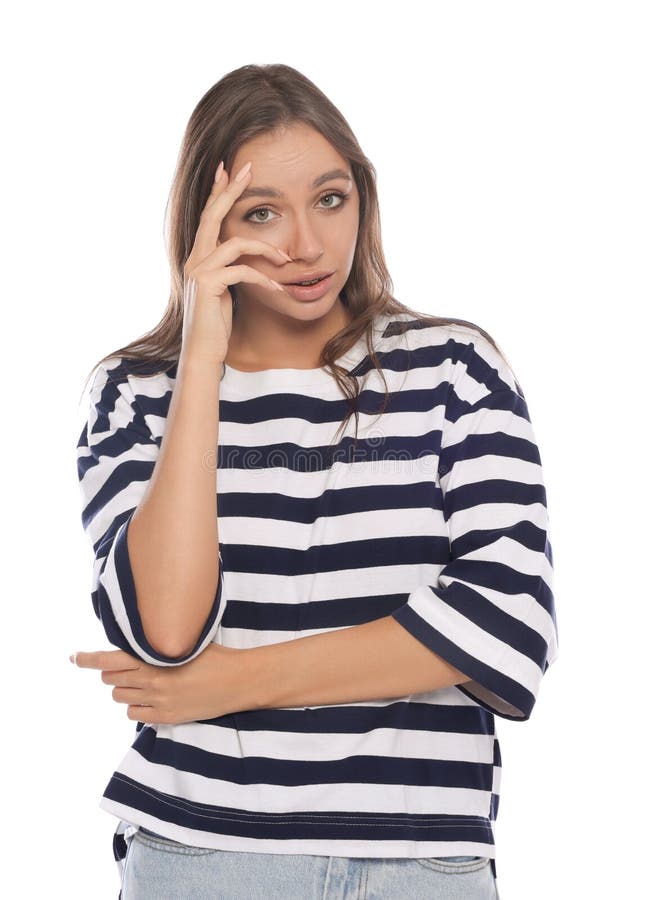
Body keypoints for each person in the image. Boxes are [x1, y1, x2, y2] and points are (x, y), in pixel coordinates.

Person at [73, 63, 558, 900]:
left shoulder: (453, 371)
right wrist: (201, 357)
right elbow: (165, 627)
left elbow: (505, 625)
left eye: (330, 200)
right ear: (207, 226)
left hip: (421, 866)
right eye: (262, 213)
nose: (305, 245)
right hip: (201, 857)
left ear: (362, 200)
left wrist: (233, 682)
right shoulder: (136, 394)